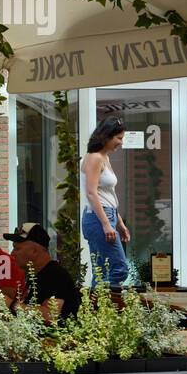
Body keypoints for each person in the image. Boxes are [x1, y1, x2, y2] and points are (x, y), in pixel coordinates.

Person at [80, 116, 131, 287]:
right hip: (98, 217)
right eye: (119, 138)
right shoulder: (94, 158)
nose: (120, 143)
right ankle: (109, 309)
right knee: (119, 268)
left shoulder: (104, 157)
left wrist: (119, 223)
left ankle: (97, 311)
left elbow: (107, 194)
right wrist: (106, 224)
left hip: (105, 215)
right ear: (107, 136)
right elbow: (92, 193)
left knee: (101, 272)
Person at [5, 222, 81, 323]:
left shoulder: (55, 276)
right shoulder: (36, 274)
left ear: (34, 251)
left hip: (53, 338)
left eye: (17, 248)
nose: (12, 253)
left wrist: (12, 305)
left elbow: (50, 315)